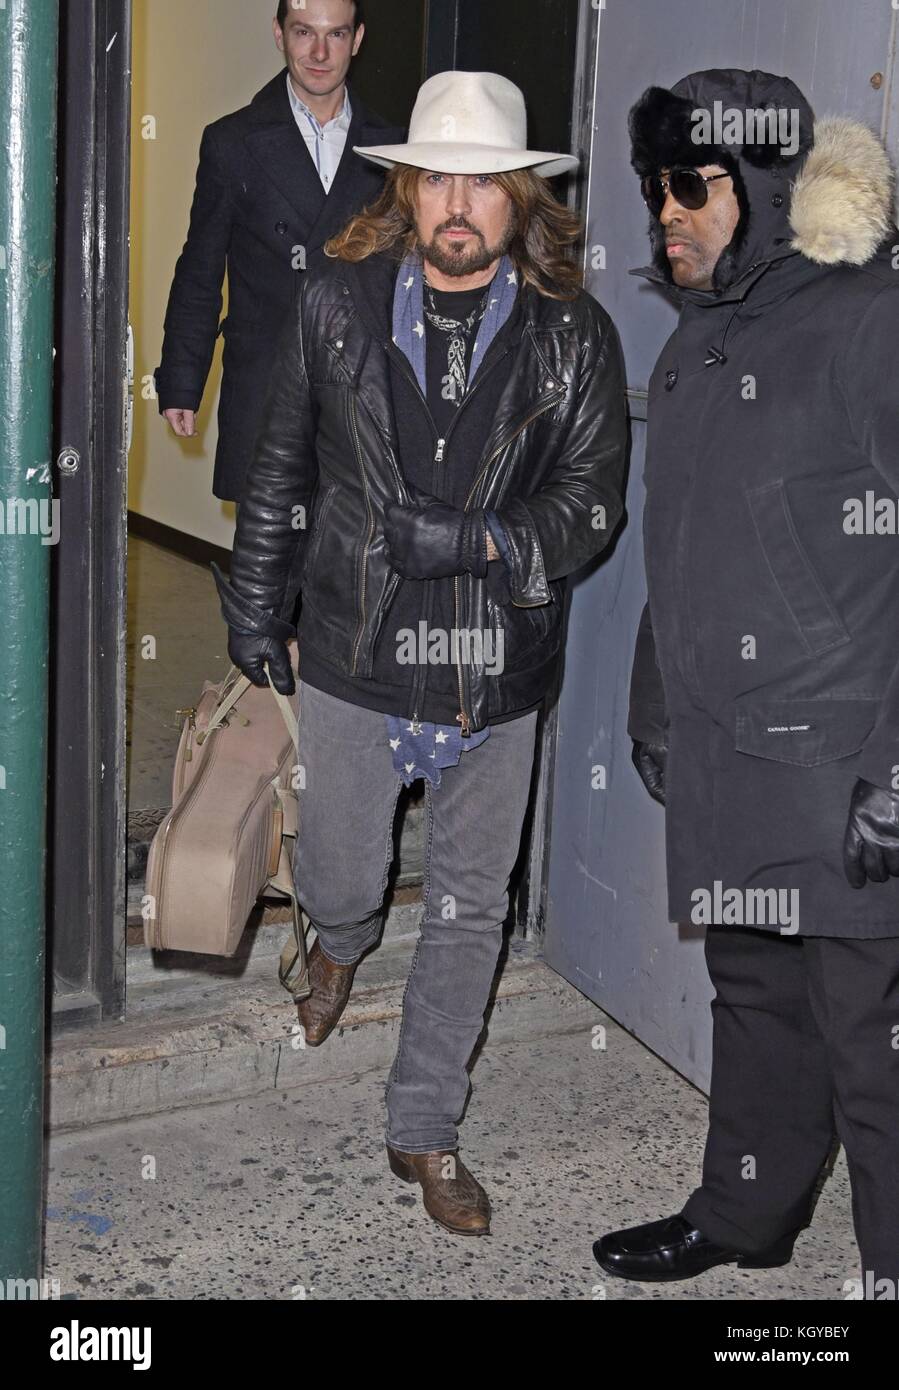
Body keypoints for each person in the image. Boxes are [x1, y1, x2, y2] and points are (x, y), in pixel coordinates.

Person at [212, 70, 628, 1236]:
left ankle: (426, 1126)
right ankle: (339, 940)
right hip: (354, 649)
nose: (459, 201)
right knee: (345, 871)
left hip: (497, 675)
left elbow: (593, 506)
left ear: (518, 202)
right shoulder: (334, 305)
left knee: (464, 909)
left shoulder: (572, 336)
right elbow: (280, 464)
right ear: (407, 188)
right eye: (438, 175)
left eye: (484, 182)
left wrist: (488, 537)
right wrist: (256, 602)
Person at [594, 68, 899, 1294]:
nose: (662, 212)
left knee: (868, 1047)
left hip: (842, 771)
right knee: (754, 997)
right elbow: (690, 541)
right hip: (732, 756)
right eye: (651, 185)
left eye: (689, 184)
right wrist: (657, 703)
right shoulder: (704, 331)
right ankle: (745, 1212)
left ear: (764, 187)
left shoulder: (868, 317)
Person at [154, 0, 404, 503]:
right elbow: (200, 270)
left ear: (357, 40)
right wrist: (182, 380)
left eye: (335, 35)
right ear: (278, 34)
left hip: (362, 391)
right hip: (266, 383)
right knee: (267, 569)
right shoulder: (231, 142)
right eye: (303, 32)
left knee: (350, 566)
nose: (318, 52)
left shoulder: (394, 150)